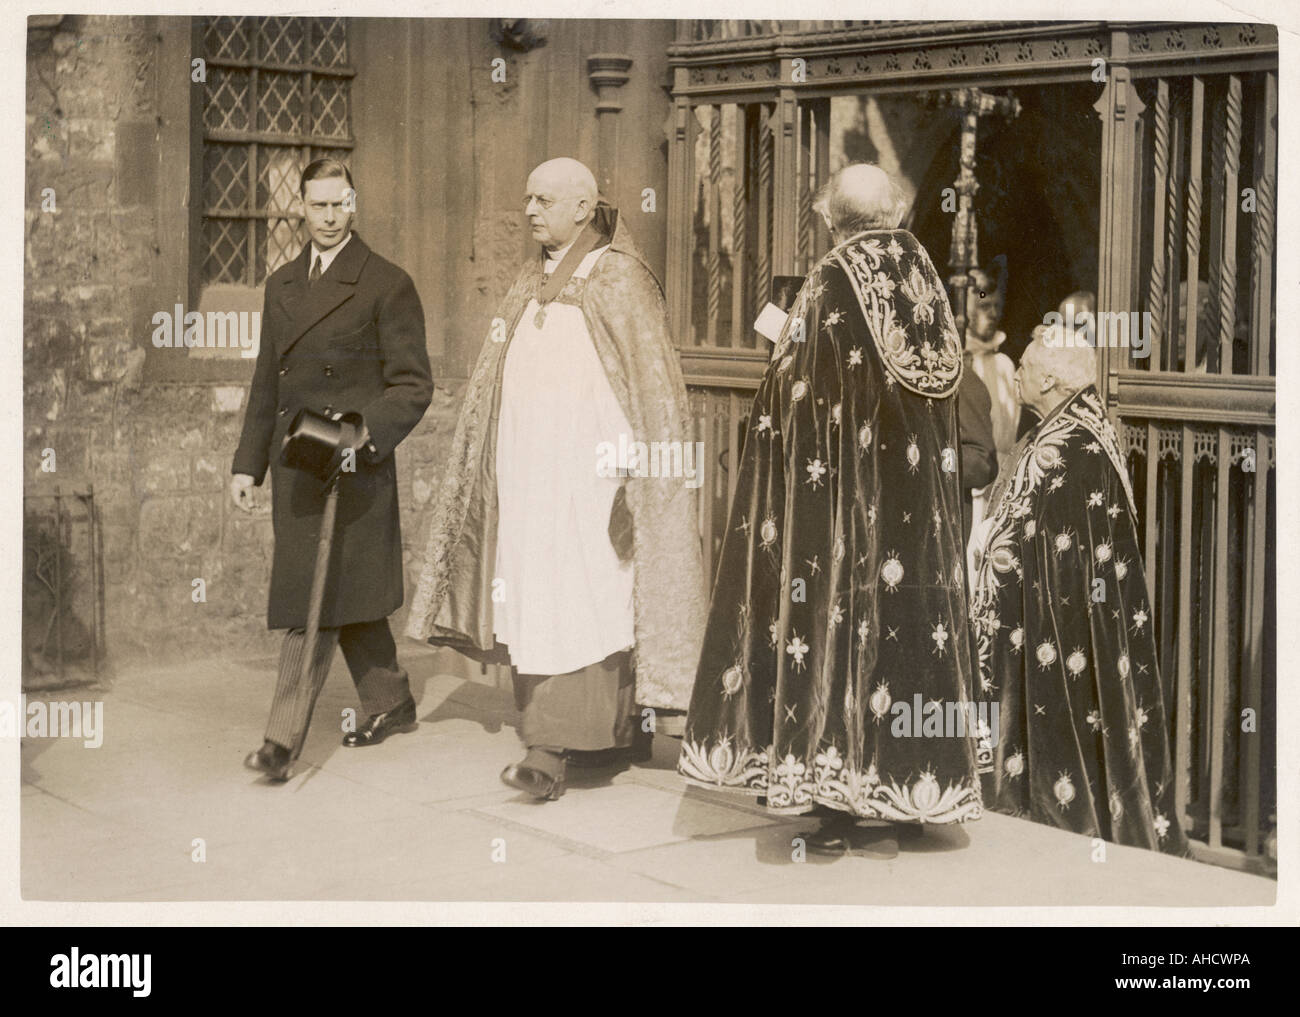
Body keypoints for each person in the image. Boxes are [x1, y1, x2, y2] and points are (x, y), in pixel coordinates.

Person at [678, 164, 983, 857]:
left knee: (838, 627)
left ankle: (836, 799)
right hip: (921, 502)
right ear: (895, 213)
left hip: (848, 500)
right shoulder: (926, 275)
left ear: (834, 218)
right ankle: (911, 789)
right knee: (911, 628)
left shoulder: (834, 276)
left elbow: (802, 390)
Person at [405, 157, 707, 801]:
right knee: (541, 597)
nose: (530, 211)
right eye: (527, 199)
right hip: (530, 479)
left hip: (597, 480)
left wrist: (641, 472)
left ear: (582, 207)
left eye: (543, 200)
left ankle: (551, 748)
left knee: (591, 599)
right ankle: (600, 740)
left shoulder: (621, 280)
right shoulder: (528, 279)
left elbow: (653, 386)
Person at [232, 157, 434, 781]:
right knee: (348, 595)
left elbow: (412, 386)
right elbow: (267, 382)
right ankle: (390, 700)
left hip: (353, 467)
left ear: (354, 205)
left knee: (313, 603)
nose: (326, 217)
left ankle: (281, 742)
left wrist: (356, 434)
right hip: (295, 467)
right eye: (315, 205)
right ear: (302, 207)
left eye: (337, 205)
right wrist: (247, 466)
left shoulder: (386, 283)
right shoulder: (282, 285)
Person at [968, 328, 1189, 855]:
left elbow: (1020, 541)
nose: (1015, 374)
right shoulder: (1085, 425)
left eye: (1023, 366)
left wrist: (980, 550)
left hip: (1065, 615)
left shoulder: (1063, 443)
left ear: (1047, 378)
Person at [964, 256, 1017, 527]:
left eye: (997, 306)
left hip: (999, 485)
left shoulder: (1005, 366)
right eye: (985, 307)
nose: (994, 314)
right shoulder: (961, 365)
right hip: (968, 489)